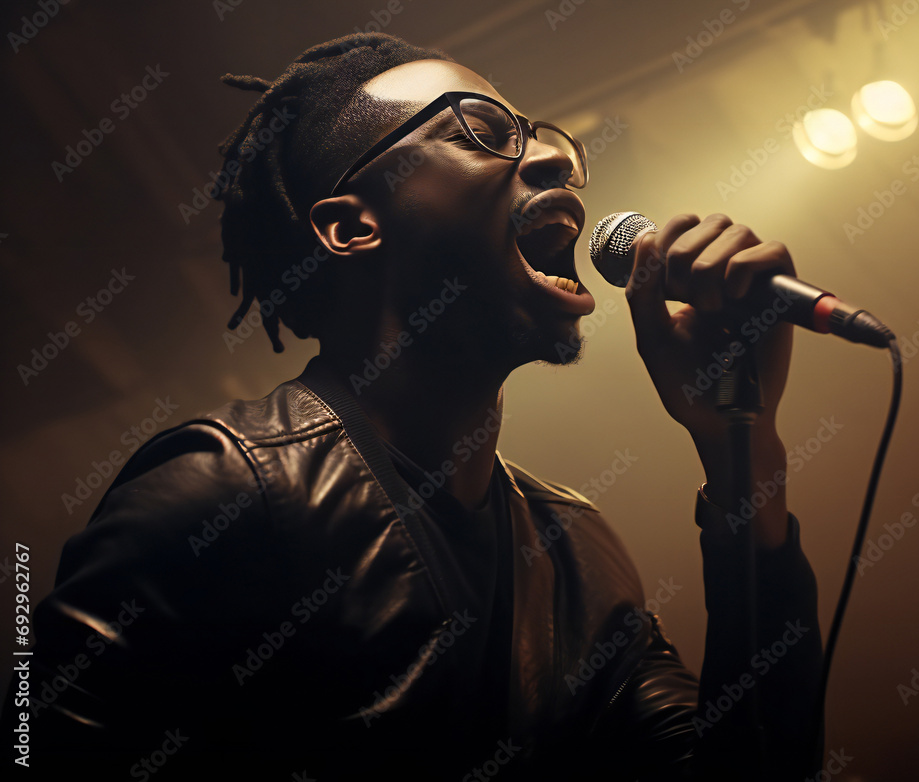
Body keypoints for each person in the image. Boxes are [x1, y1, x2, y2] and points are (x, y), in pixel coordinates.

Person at [4, 33, 822, 781]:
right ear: (353, 226)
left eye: (544, 138)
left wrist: (742, 452)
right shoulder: (226, 490)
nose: (551, 161)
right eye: (482, 130)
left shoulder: (579, 555)